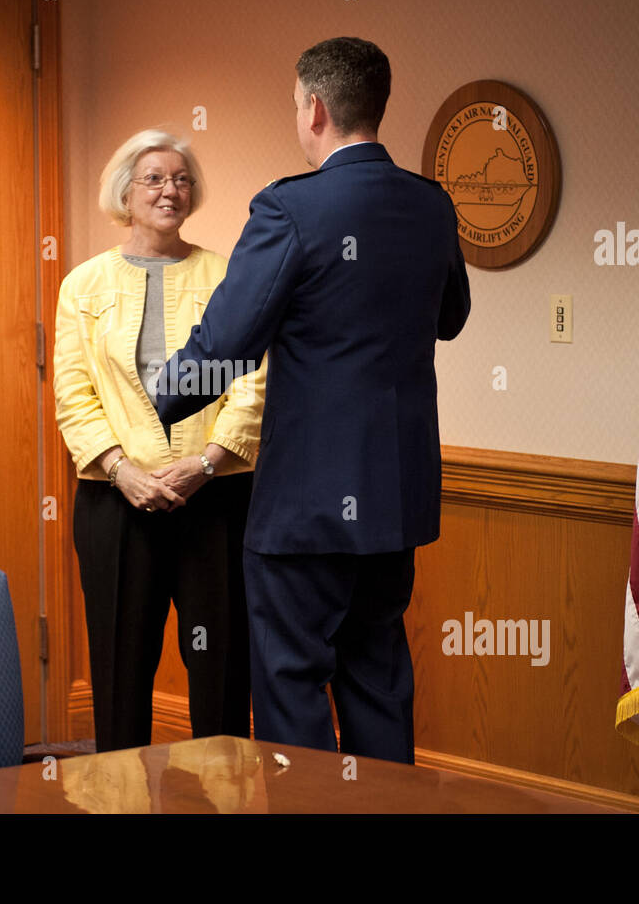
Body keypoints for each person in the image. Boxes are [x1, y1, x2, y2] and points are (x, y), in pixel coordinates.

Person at [154, 38, 472, 763]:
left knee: (292, 689)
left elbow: (227, 345)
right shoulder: (430, 205)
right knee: (378, 678)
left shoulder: (290, 208)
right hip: (394, 502)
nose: (297, 117)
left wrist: (158, 397)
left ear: (316, 108)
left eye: (296, 105)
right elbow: (449, 318)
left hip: (306, 510)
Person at [54, 129, 266, 752]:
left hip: (217, 498)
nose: (170, 190)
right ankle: (118, 795)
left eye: (181, 179)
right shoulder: (82, 285)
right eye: (154, 178)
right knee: (120, 670)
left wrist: (205, 463)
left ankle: (227, 794)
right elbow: (73, 393)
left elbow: (253, 382)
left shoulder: (226, 274)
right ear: (125, 191)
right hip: (114, 504)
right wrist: (124, 472)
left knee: (223, 668)